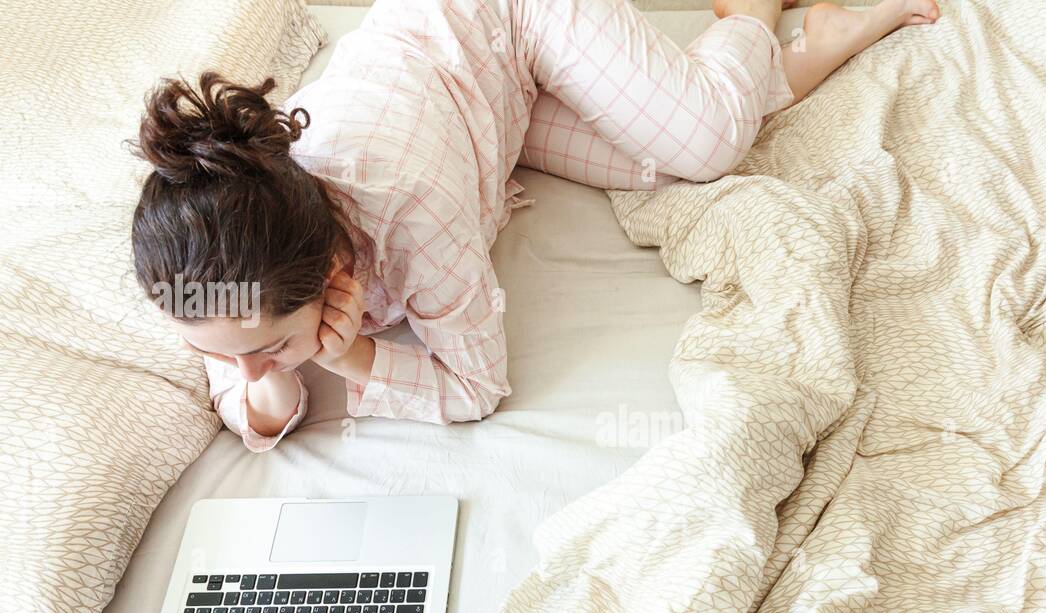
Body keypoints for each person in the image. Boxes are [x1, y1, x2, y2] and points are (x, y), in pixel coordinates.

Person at [131, 0, 939, 451]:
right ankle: (818, 38)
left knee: (709, 143)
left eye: (269, 345)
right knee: (653, 161)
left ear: (331, 273)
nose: (238, 367)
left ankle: (753, 13)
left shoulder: (411, 214)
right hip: (483, 106)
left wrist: (355, 353)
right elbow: (254, 405)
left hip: (508, 16)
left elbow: (477, 385)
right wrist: (268, 371)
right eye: (212, 352)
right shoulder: (214, 264)